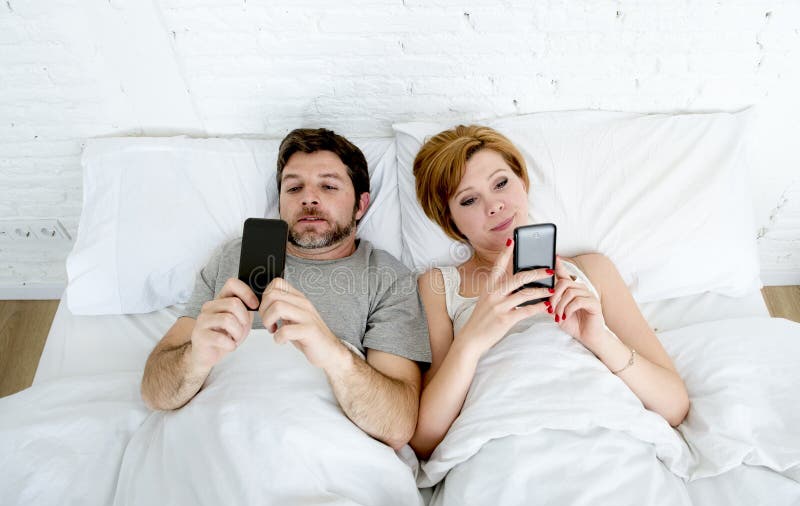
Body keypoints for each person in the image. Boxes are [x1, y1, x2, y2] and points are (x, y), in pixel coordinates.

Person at [408, 125, 690, 459]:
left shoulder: (592, 270)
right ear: (450, 221)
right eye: (469, 200)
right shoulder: (439, 287)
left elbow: (674, 406)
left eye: (501, 183)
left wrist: (600, 340)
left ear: (523, 183)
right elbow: (425, 441)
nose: (494, 205)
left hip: (609, 438)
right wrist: (472, 340)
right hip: (502, 450)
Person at [141, 127, 431, 450]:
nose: (308, 197)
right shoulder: (233, 257)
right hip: (213, 439)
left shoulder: (386, 277)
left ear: (361, 205)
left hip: (318, 447)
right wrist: (195, 357)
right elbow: (154, 392)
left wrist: (334, 354)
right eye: (293, 187)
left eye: (328, 186)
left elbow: (399, 425)